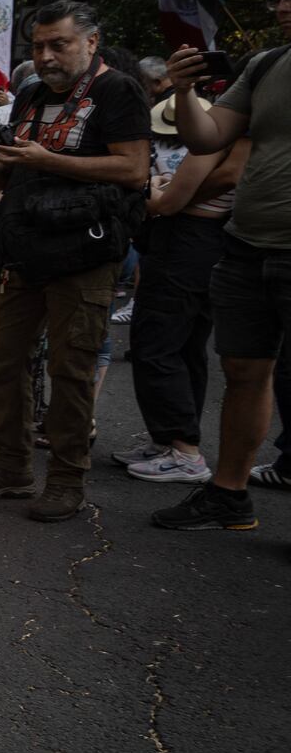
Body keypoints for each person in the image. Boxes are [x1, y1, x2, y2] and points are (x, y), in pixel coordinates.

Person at [0, 0, 152, 522]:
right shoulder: (32, 94)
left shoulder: (117, 91)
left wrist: (48, 159)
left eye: (57, 44)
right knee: (2, 358)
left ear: (91, 42)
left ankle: (66, 479)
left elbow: (134, 170)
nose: (45, 56)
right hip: (25, 245)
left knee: (71, 366)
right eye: (38, 46)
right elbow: (11, 168)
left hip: (84, 249)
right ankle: (12, 466)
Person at [150, 0, 291, 530]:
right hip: (246, 247)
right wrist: (184, 91)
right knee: (244, 372)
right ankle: (228, 495)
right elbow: (205, 135)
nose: (282, 7)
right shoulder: (265, 65)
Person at [112, 90, 244, 483]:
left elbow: (165, 205)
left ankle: (183, 450)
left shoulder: (210, 149)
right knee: (185, 346)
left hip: (185, 246)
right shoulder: (227, 147)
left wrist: (154, 193)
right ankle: (171, 439)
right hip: (207, 245)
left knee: (157, 344)